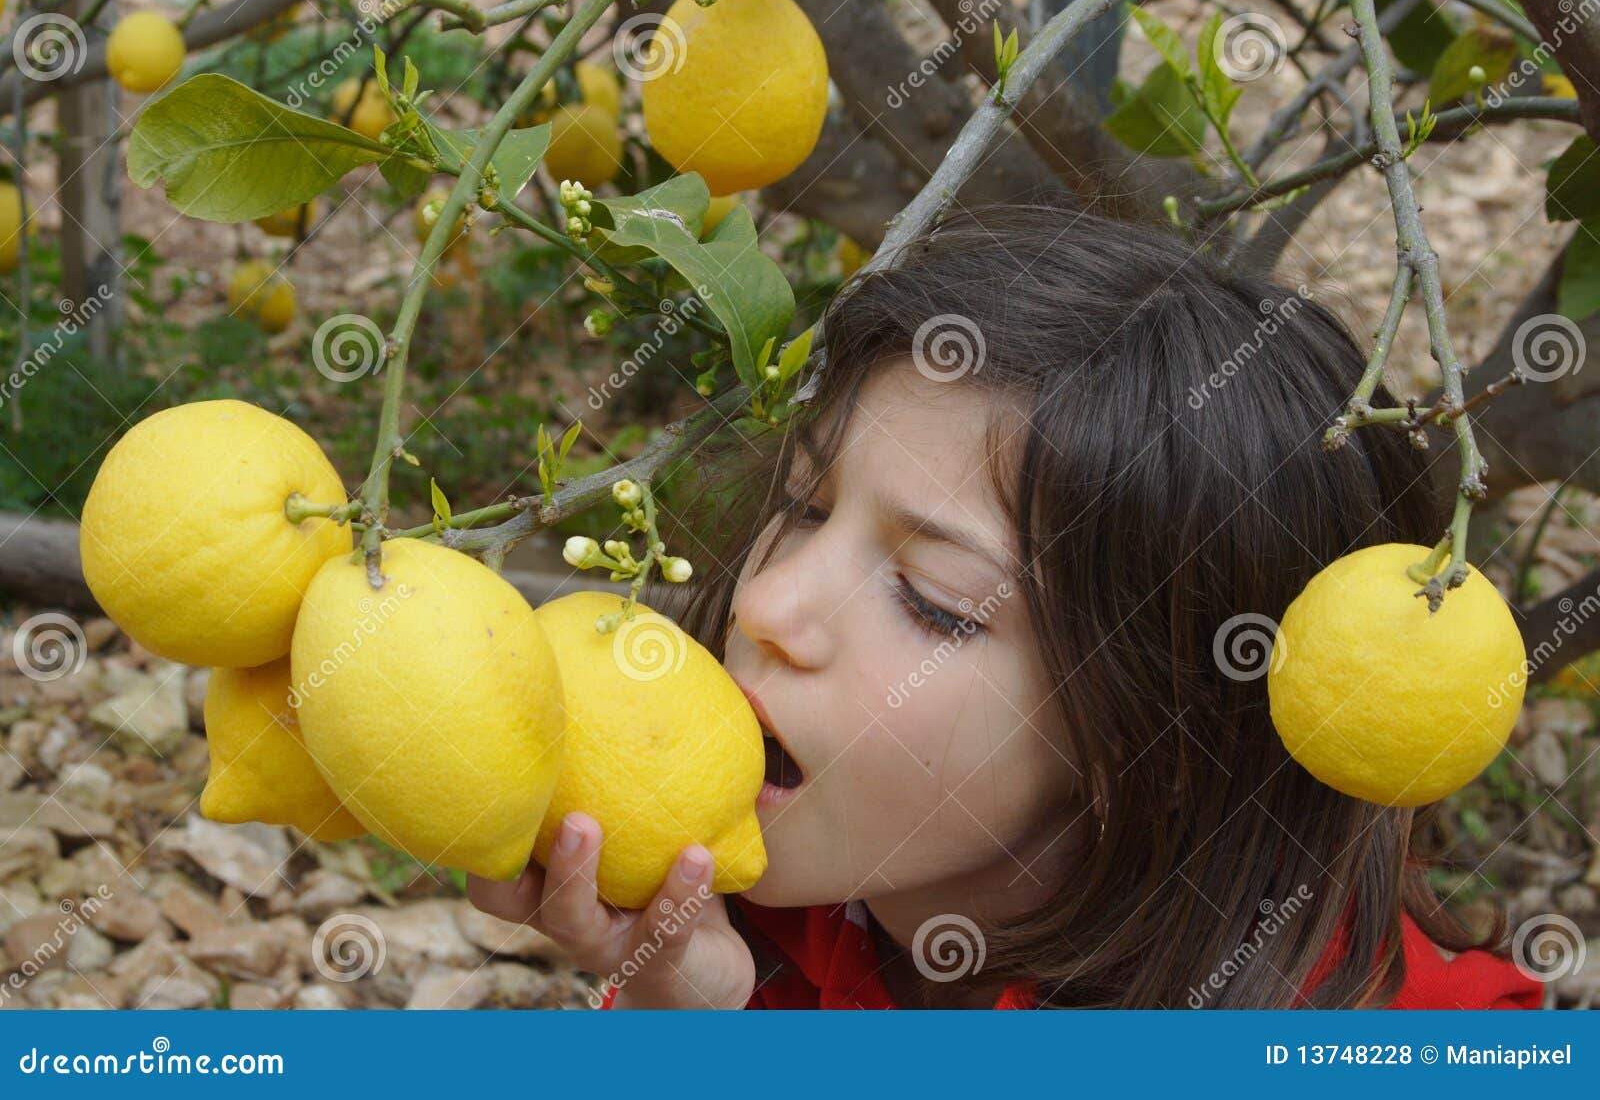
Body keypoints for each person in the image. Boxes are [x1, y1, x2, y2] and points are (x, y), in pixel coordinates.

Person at [469, 206, 1543, 1010]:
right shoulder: (761, 921)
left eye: (934, 603)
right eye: (802, 507)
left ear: (1148, 743)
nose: (766, 602)